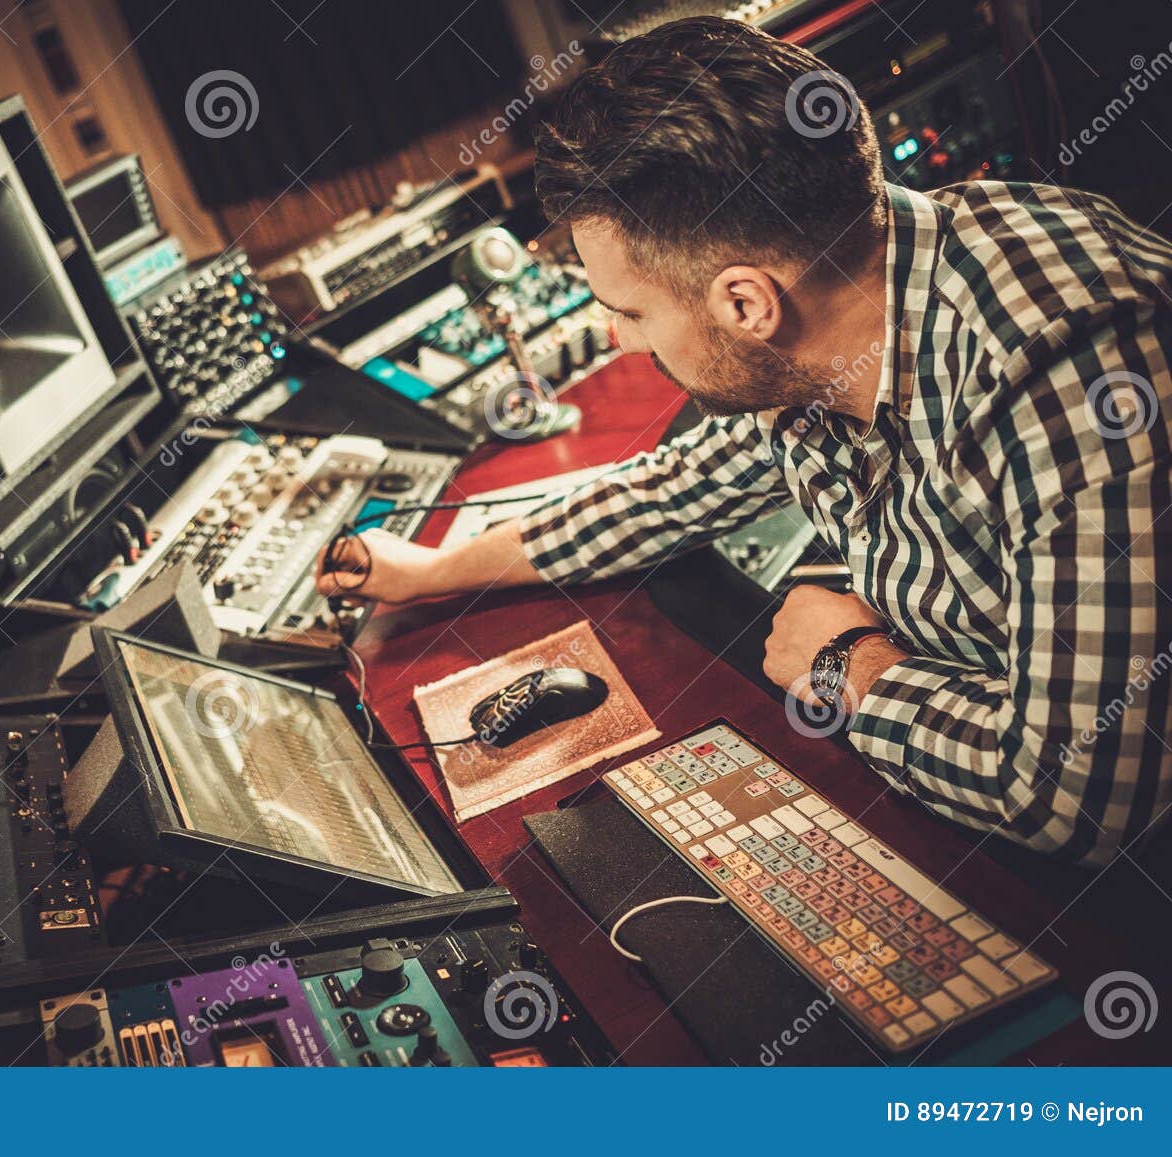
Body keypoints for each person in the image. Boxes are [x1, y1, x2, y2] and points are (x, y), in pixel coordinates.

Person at [316, 17, 1172, 866]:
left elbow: (1077, 795)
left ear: (746, 305)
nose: (618, 339)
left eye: (630, 310)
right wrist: (428, 572)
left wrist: (845, 665)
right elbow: (669, 490)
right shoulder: (846, 303)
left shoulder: (1068, 371)